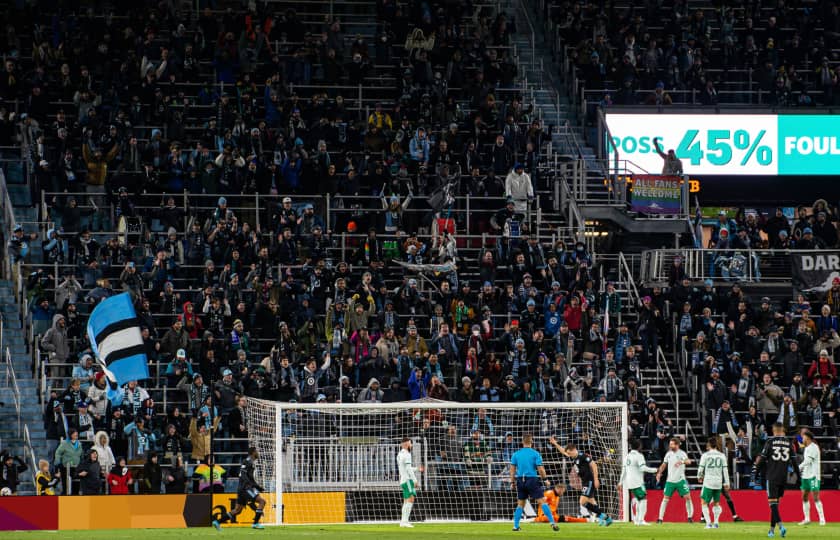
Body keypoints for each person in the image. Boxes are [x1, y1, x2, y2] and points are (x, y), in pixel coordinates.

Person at [549, 436, 612, 526]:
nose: (568, 455)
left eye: (569, 453)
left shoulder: (583, 456)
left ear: (574, 450)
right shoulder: (574, 457)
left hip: (589, 481)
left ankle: (604, 516)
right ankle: (603, 518)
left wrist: (596, 479)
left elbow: (594, 465)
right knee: (592, 501)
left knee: (582, 502)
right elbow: (563, 451)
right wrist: (555, 444)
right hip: (584, 481)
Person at [753, 423, 795, 537]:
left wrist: (755, 474)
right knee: (775, 504)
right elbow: (795, 461)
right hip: (783, 478)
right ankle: (771, 530)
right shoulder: (789, 443)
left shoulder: (770, 442)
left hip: (772, 477)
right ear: (782, 430)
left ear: (773, 430)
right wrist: (799, 477)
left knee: (772, 504)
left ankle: (781, 526)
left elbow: (761, 460)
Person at [509, 433, 558, 532]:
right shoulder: (535, 454)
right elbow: (540, 469)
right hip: (532, 479)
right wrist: (545, 480)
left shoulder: (516, 454)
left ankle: (516, 526)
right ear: (532, 442)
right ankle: (552, 523)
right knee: (542, 502)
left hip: (520, 480)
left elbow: (512, 470)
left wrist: (512, 482)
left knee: (520, 504)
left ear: (522, 442)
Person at [212, 447, 267, 530]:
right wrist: (251, 486)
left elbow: (249, 477)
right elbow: (244, 475)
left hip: (242, 488)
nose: (258, 453)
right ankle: (255, 523)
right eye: (257, 451)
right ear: (253, 452)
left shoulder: (249, 462)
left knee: (237, 510)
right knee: (262, 501)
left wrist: (257, 487)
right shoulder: (248, 461)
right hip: (246, 488)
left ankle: (217, 522)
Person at [619, 438, 658, 526]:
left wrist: (620, 482)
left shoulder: (627, 456)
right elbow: (643, 468)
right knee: (643, 500)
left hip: (629, 482)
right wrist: (655, 470)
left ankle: (637, 520)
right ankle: (641, 520)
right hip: (637, 482)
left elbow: (623, 471)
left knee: (638, 500)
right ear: (639, 446)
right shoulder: (639, 456)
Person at [656, 437, 694, 523]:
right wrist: (659, 473)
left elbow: (689, 461)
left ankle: (690, 517)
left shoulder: (682, 453)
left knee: (687, 497)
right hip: (670, 480)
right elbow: (663, 465)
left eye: (672, 444)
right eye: (670, 444)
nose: (670, 446)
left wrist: (682, 462)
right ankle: (660, 518)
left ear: (677, 445)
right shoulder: (668, 454)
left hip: (680, 480)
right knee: (665, 498)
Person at [698, 437, 730, 529]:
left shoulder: (705, 455)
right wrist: (727, 483)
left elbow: (701, 468)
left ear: (709, 445)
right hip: (718, 482)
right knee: (716, 503)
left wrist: (699, 476)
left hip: (708, 481)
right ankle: (716, 523)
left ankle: (708, 523)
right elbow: (725, 470)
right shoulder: (722, 456)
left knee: (704, 502)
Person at [798, 429, 825, 526]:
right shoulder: (806, 447)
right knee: (804, 496)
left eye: (803, 436)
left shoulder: (814, 447)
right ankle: (807, 519)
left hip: (813, 475)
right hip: (805, 475)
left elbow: (808, 461)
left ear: (807, 437)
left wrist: (798, 467)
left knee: (815, 497)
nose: (801, 438)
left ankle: (822, 519)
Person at [397, 437, 424, 528]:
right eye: (410, 443)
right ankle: (405, 521)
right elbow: (408, 469)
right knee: (411, 499)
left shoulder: (400, 454)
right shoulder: (407, 454)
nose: (411, 445)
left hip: (403, 480)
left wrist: (417, 469)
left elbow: (405, 468)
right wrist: (415, 480)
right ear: (406, 444)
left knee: (406, 501)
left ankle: (402, 521)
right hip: (408, 480)